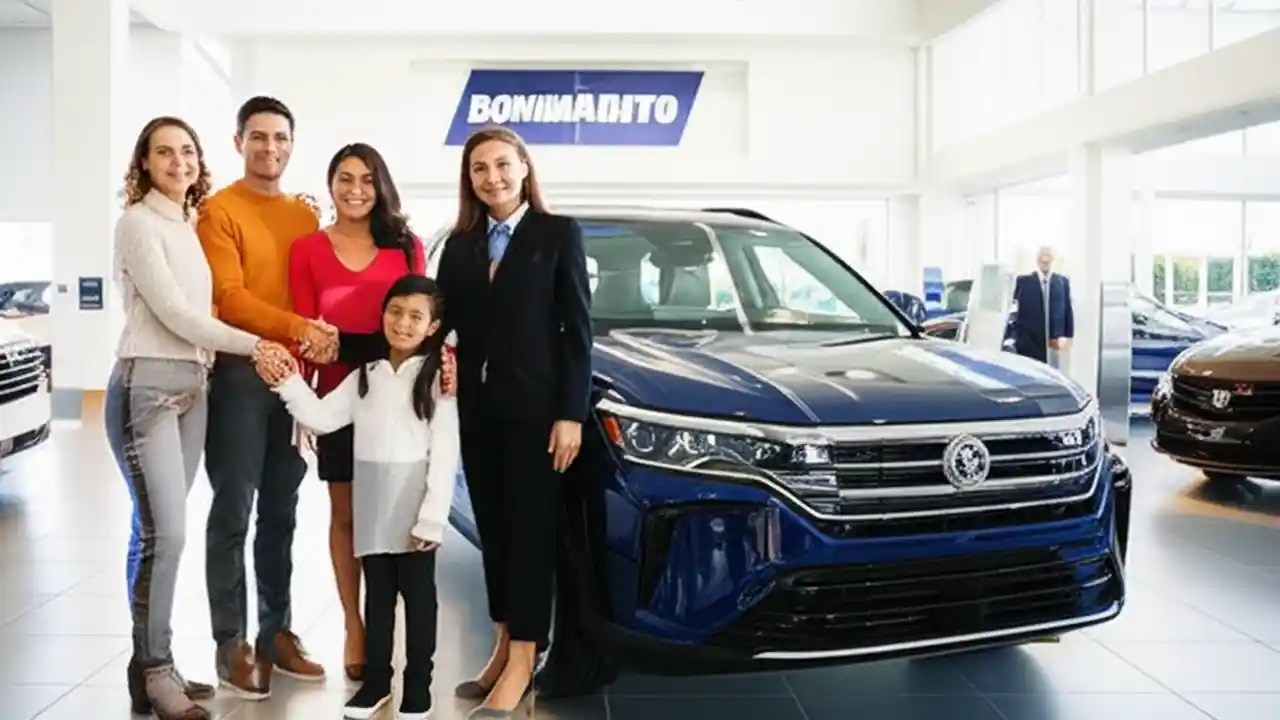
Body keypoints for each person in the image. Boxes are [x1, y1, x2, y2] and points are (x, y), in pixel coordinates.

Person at [333, 126, 592, 717]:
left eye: (502, 165)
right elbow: (435, 325)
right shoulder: (462, 245)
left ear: (523, 168)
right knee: (494, 534)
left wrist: (569, 415)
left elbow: (577, 332)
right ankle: (503, 644)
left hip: (537, 415)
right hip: (476, 413)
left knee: (529, 535)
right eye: (480, 168)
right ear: (469, 179)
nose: (492, 177)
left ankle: (524, 658)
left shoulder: (557, 234)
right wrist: (357, 350)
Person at [105, 116, 294, 720]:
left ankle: (148, 667)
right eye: (164, 152)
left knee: (155, 530)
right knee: (166, 535)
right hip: (148, 387)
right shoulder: (138, 223)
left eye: (187, 151)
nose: (178, 162)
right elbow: (179, 315)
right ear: (144, 161)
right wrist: (257, 345)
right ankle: (156, 669)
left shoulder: (187, 222)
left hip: (194, 388)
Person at [257, 274, 458, 720]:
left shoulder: (437, 381)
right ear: (382, 315)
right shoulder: (364, 376)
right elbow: (322, 417)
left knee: (419, 599)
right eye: (395, 312)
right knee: (378, 597)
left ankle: (418, 687)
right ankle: (376, 684)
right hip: (372, 503)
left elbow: (444, 453)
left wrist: (432, 516)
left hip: (414, 507)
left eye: (416, 317)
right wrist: (289, 382)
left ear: (432, 326)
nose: (403, 323)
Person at [196, 96, 334, 698]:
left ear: (291, 145)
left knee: (282, 509)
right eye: (258, 136)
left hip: (292, 381)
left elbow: (313, 287)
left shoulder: (303, 215)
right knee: (233, 509)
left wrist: (314, 351)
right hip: (241, 376)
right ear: (238, 142)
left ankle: (276, 632)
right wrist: (298, 330)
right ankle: (231, 645)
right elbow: (229, 298)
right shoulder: (218, 211)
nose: (269, 147)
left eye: (280, 138)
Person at [287, 142, 424, 682]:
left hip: (400, 402)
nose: (356, 190)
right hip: (339, 402)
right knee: (345, 516)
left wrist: (345, 344)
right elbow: (307, 336)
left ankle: (390, 623)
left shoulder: (406, 246)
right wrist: (305, 402)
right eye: (345, 178)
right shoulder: (307, 250)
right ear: (331, 185)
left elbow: (419, 326)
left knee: (395, 519)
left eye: (367, 179)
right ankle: (354, 624)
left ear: (381, 185)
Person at [1010, 244, 1074, 366]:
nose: (1045, 259)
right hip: (1029, 344)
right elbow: (1015, 313)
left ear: (1053, 259)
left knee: (1053, 373)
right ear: (1037, 259)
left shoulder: (1062, 282)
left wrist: (1068, 337)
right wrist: (1015, 339)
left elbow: (1068, 311)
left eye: (1048, 256)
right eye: (1042, 256)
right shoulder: (1023, 282)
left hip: (1054, 344)